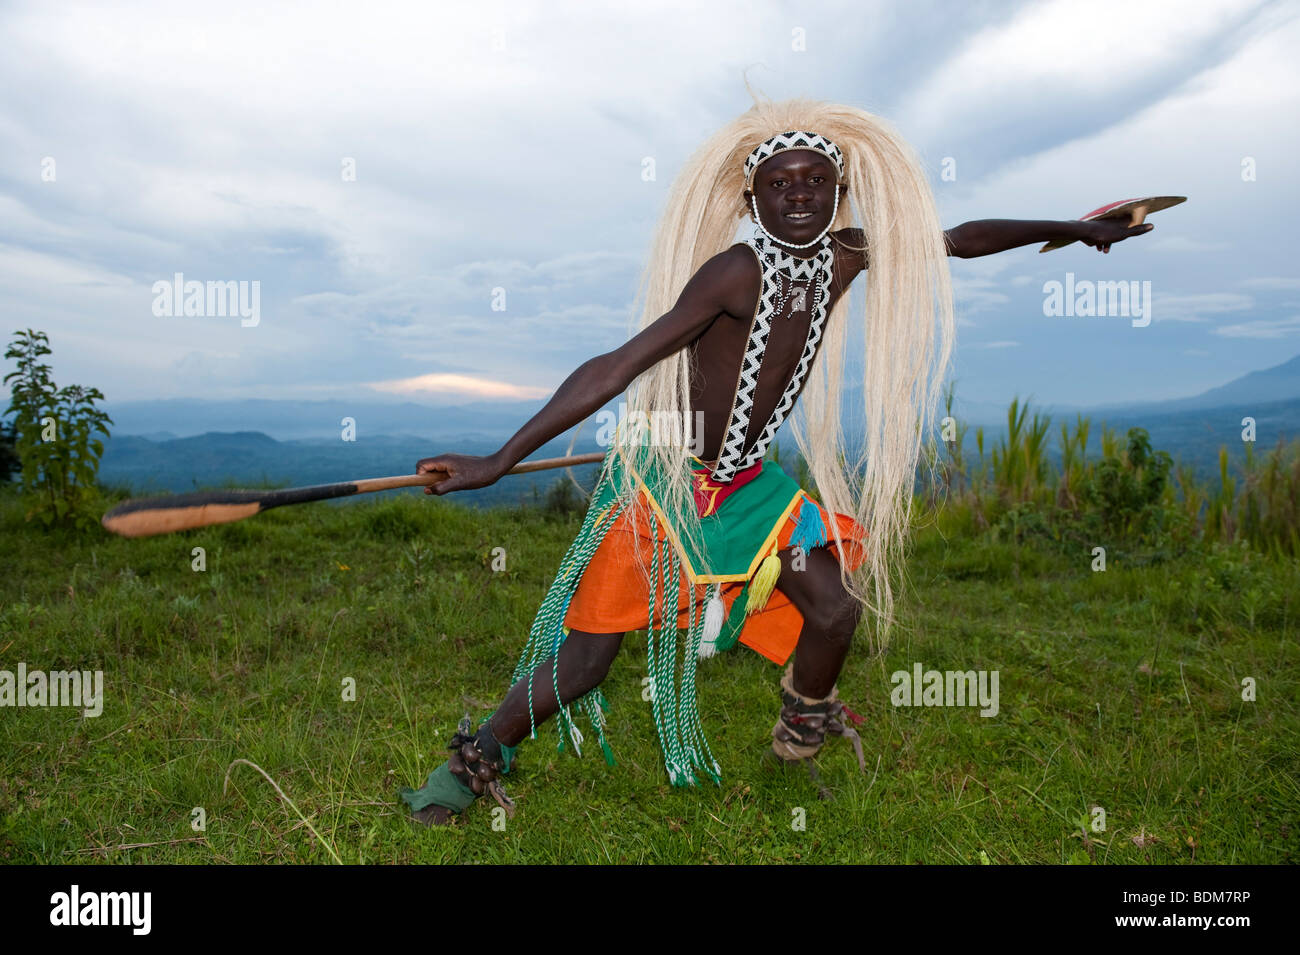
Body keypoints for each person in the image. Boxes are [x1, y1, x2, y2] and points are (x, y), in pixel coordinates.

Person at [399, 95, 1153, 825]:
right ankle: (473, 760)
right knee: (589, 660)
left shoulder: (847, 255)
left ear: (841, 191)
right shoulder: (733, 272)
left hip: (753, 488)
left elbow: (955, 236)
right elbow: (616, 366)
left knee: (835, 606)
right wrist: (498, 460)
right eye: (780, 182)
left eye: (816, 181)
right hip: (666, 489)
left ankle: (799, 739)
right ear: (752, 197)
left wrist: (1077, 229)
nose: (799, 194)